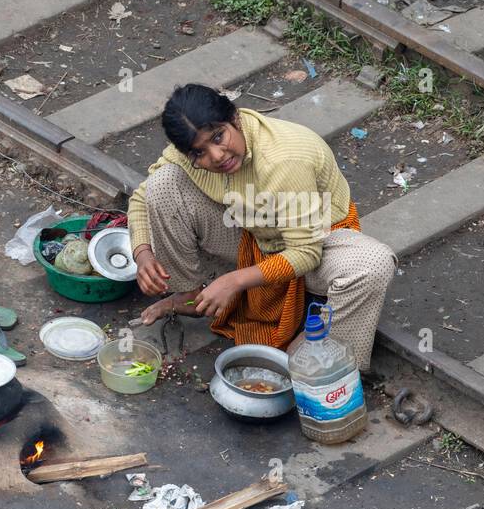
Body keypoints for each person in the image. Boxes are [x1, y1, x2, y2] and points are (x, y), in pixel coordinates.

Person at [126, 83, 396, 372]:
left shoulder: (284, 160)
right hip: (253, 235)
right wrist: (142, 253)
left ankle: (331, 362)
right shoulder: (191, 149)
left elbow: (306, 253)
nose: (216, 156)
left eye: (219, 137)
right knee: (163, 184)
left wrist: (235, 281)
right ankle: (190, 294)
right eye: (200, 153)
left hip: (318, 242)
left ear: (235, 118)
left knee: (373, 264)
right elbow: (143, 196)